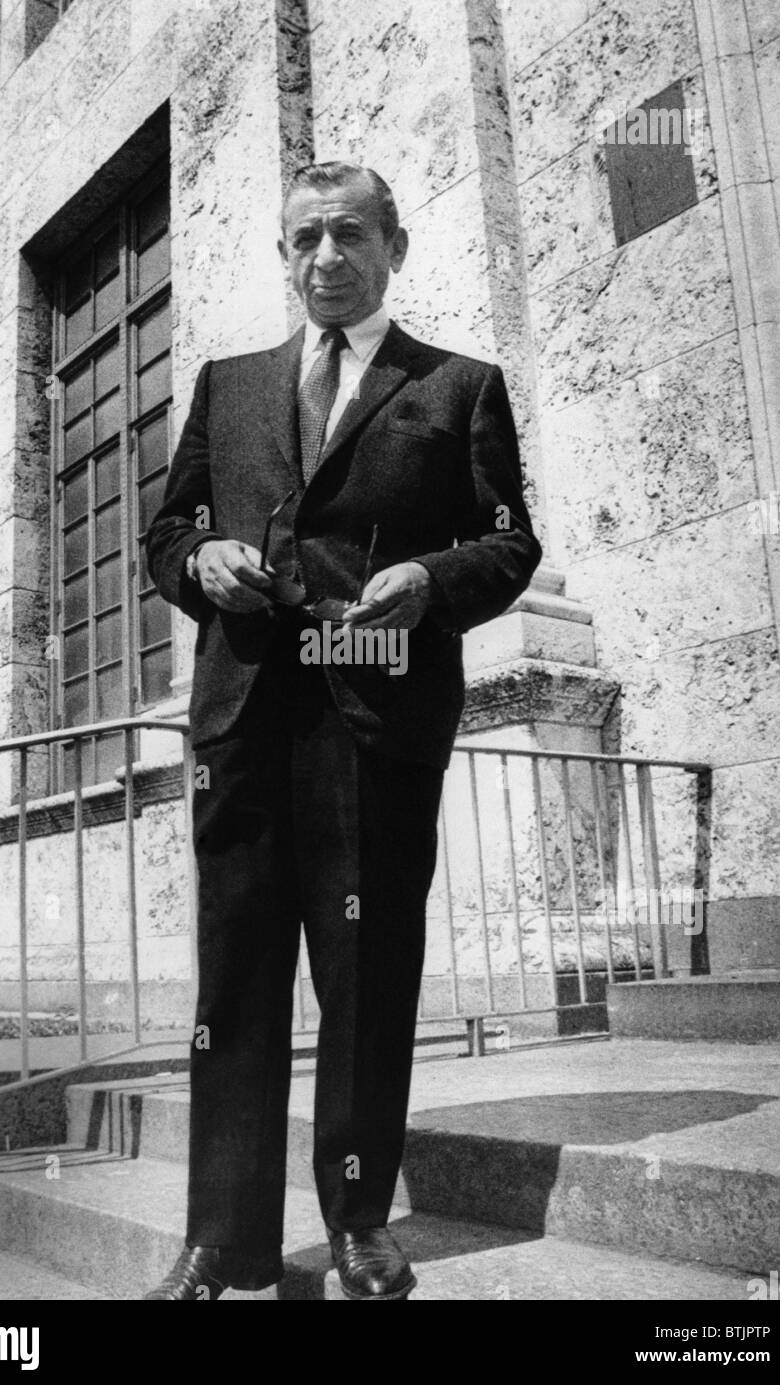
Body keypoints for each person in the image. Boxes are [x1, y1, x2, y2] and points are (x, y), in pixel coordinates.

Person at [144, 162, 541, 1301]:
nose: (326, 257)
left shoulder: (459, 387)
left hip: (375, 721)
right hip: (247, 719)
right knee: (236, 989)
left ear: (393, 246)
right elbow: (167, 531)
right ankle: (222, 1239)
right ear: (283, 253)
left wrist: (429, 572)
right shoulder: (226, 388)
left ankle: (359, 1221)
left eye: (348, 235)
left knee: (366, 980)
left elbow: (508, 544)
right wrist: (198, 559)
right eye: (305, 238)